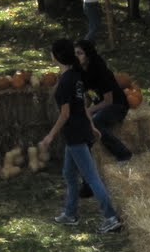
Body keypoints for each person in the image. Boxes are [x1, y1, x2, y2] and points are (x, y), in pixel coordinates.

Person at [40, 39, 123, 234]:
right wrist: (92, 126)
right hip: (80, 133)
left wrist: (50, 136)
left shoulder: (66, 82)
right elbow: (83, 106)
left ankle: (111, 218)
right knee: (69, 174)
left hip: (75, 135)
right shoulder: (75, 77)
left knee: (91, 177)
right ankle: (70, 213)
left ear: (57, 56)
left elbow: (66, 113)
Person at [75, 39, 135, 161]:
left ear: (88, 55)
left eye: (79, 53)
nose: (76, 56)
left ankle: (123, 153)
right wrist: (83, 109)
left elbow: (109, 101)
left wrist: (90, 110)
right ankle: (88, 157)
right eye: (75, 53)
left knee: (96, 122)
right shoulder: (81, 71)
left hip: (117, 105)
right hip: (101, 105)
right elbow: (88, 95)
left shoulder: (101, 72)